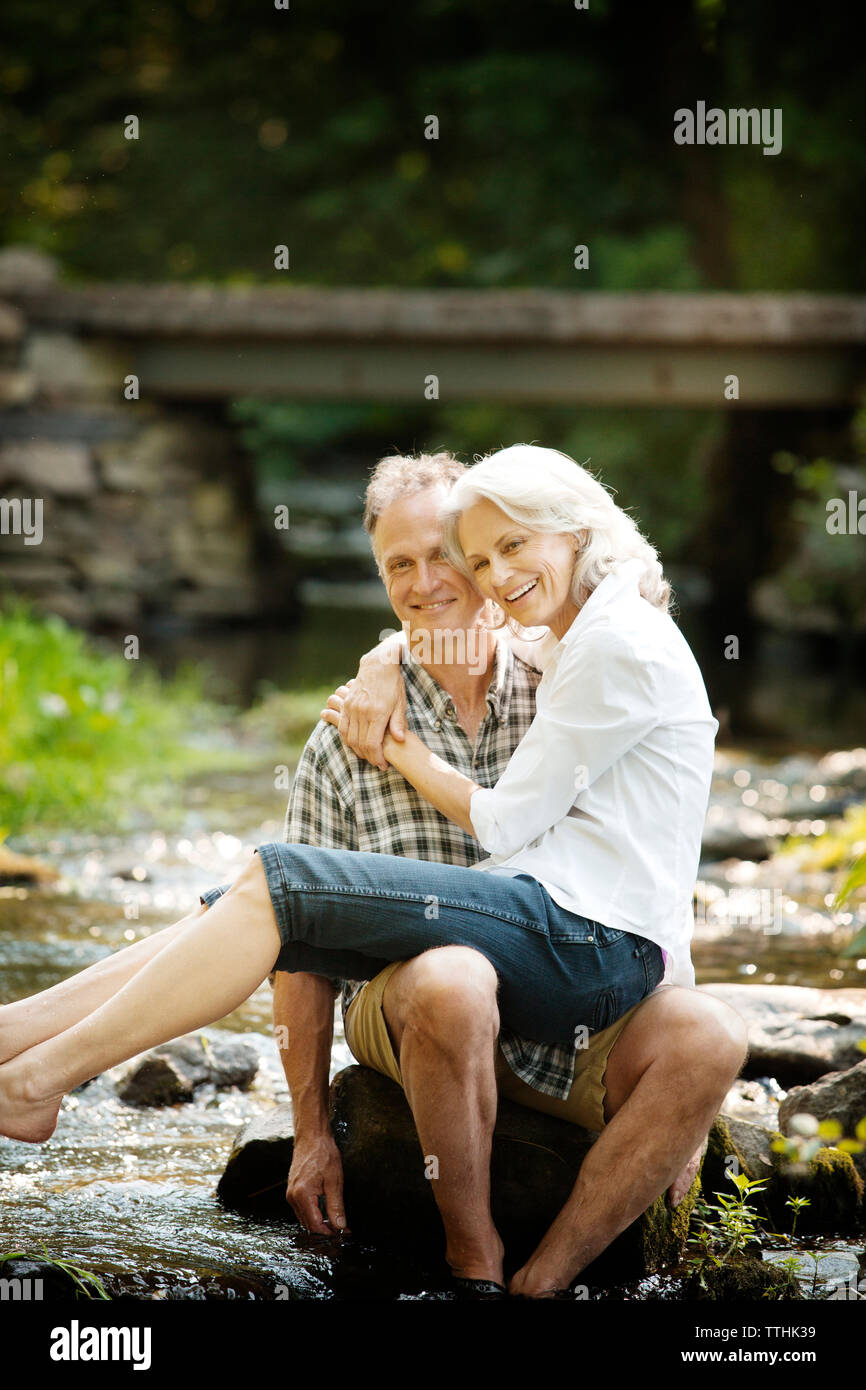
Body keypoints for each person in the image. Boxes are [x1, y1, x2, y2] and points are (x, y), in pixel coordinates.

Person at [0, 444, 749, 1300]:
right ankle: (474, 1263)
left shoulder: (560, 667)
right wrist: (311, 1129)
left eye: (453, 556)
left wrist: (399, 717)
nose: (436, 580)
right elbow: (303, 961)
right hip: (420, 1004)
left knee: (711, 1032)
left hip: (564, 988)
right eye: (402, 565)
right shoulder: (345, 733)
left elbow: (654, 844)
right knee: (429, 969)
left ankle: (541, 1286)